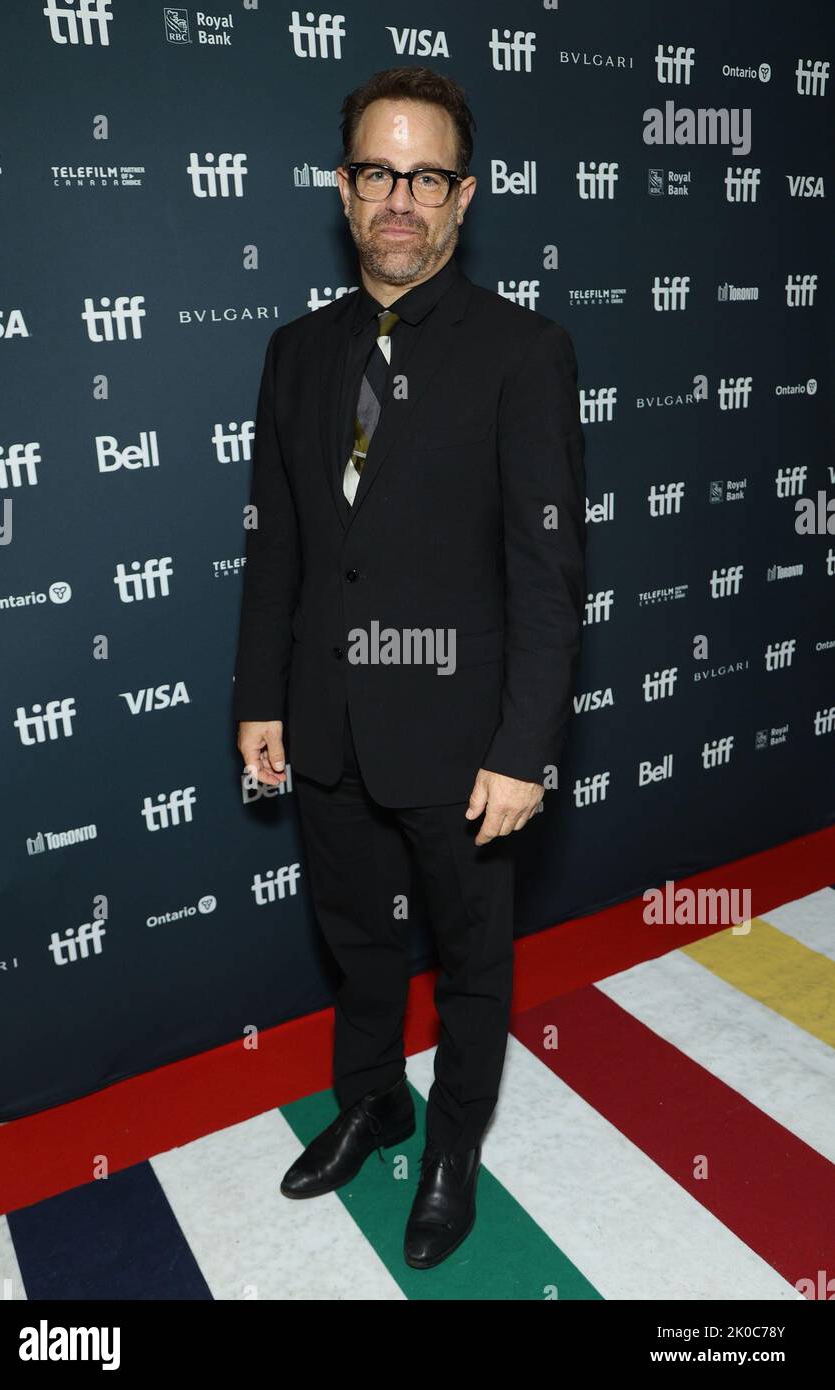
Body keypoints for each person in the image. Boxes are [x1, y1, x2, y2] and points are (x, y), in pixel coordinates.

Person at [233, 65, 586, 1270]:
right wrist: (258, 701)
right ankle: (373, 1097)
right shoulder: (294, 354)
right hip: (326, 725)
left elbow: (546, 574)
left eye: (426, 175)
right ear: (343, 190)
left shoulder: (522, 353)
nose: (401, 198)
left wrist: (523, 744)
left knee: (472, 959)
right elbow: (278, 543)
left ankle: (451, 1144)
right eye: (378, 172)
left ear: (462, 195)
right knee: (357, 938)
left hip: (461, 741)